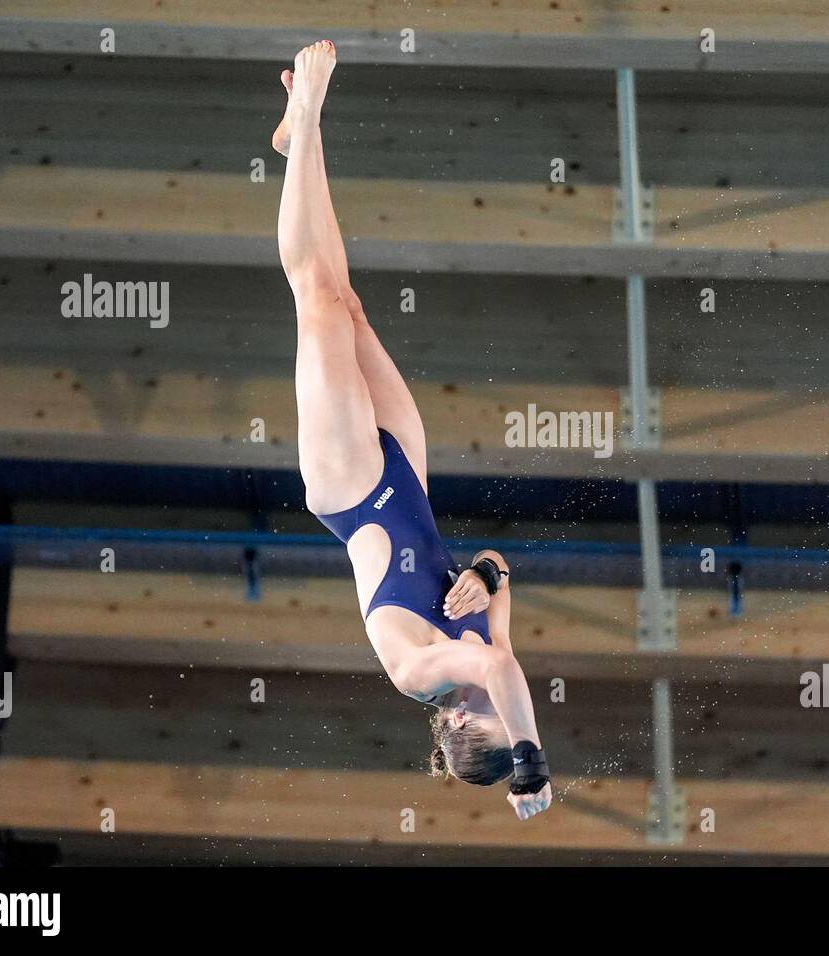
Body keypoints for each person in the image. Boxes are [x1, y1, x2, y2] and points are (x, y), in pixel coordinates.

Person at [274, 41, 551, 821]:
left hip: (352, 490)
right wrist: (490, 578)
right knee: (349, 302)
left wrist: (532, 768)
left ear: (460, 720)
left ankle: (306, 117)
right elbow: (500, 565)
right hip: (406, 474)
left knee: (315, 300)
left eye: (505, 718)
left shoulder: (424, 671)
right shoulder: (489, 649)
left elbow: (501, 677)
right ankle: (302, 141)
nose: (507, 692)